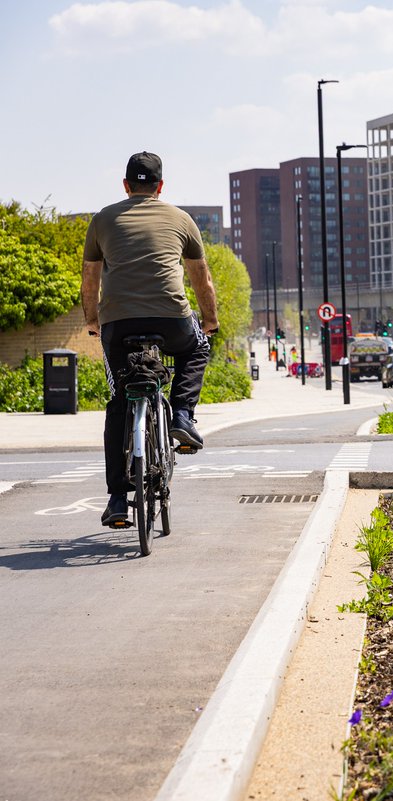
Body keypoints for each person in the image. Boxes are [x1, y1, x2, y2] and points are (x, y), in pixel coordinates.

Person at [81, 152, 219, 528]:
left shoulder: (102, 219)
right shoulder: (181, 219)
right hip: (171, 319)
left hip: (118, 324)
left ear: (126, 185)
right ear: (161, 186)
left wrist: (92, 321)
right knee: (197, 346)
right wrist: (210, 320)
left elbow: (90, 279)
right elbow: (202, 279)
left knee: (119, 401)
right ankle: (183, 416)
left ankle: (117, 499)